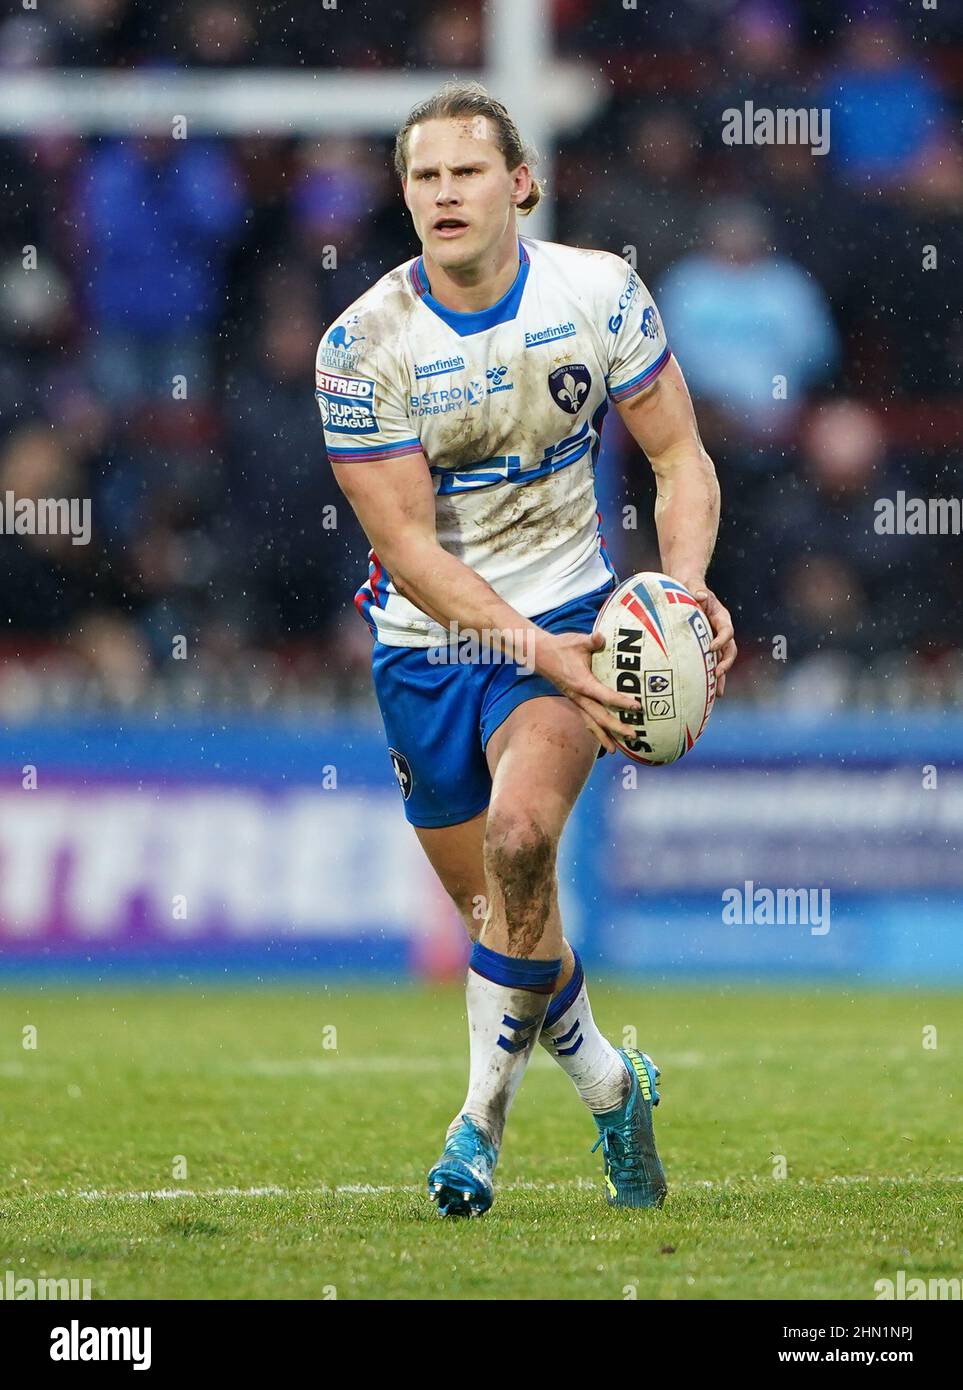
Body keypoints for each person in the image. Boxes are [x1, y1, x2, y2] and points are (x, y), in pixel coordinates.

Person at [314, 81, 736, 1218]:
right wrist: (531, 655)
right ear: (405, 196)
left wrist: (682, 598)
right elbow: (404, 550)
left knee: (520, 836)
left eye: (466, 170)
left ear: (521, 182)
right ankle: (612, 1085)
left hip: (568, 619)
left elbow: (682, 460)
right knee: (512, 923)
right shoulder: (360, 346)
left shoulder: (598, 293)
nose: (445, 192)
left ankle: (475, 1133)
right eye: (424, 176)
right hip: (423, 652)